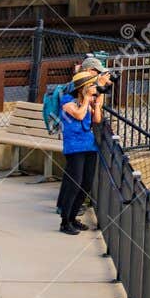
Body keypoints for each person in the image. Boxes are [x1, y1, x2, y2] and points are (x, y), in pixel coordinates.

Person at [55, 68, 103, 235]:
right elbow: (79, 115)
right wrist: (87, 99)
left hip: (89, 146)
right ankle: (65, 221)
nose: (94, 88)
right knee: (75, 183)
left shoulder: (88, 101)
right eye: (91, 85)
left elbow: (96, 119)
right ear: (82, 87)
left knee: (86, 184)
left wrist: (97, 102)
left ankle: (74, 217)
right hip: (75, 148)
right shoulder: (67, 101)